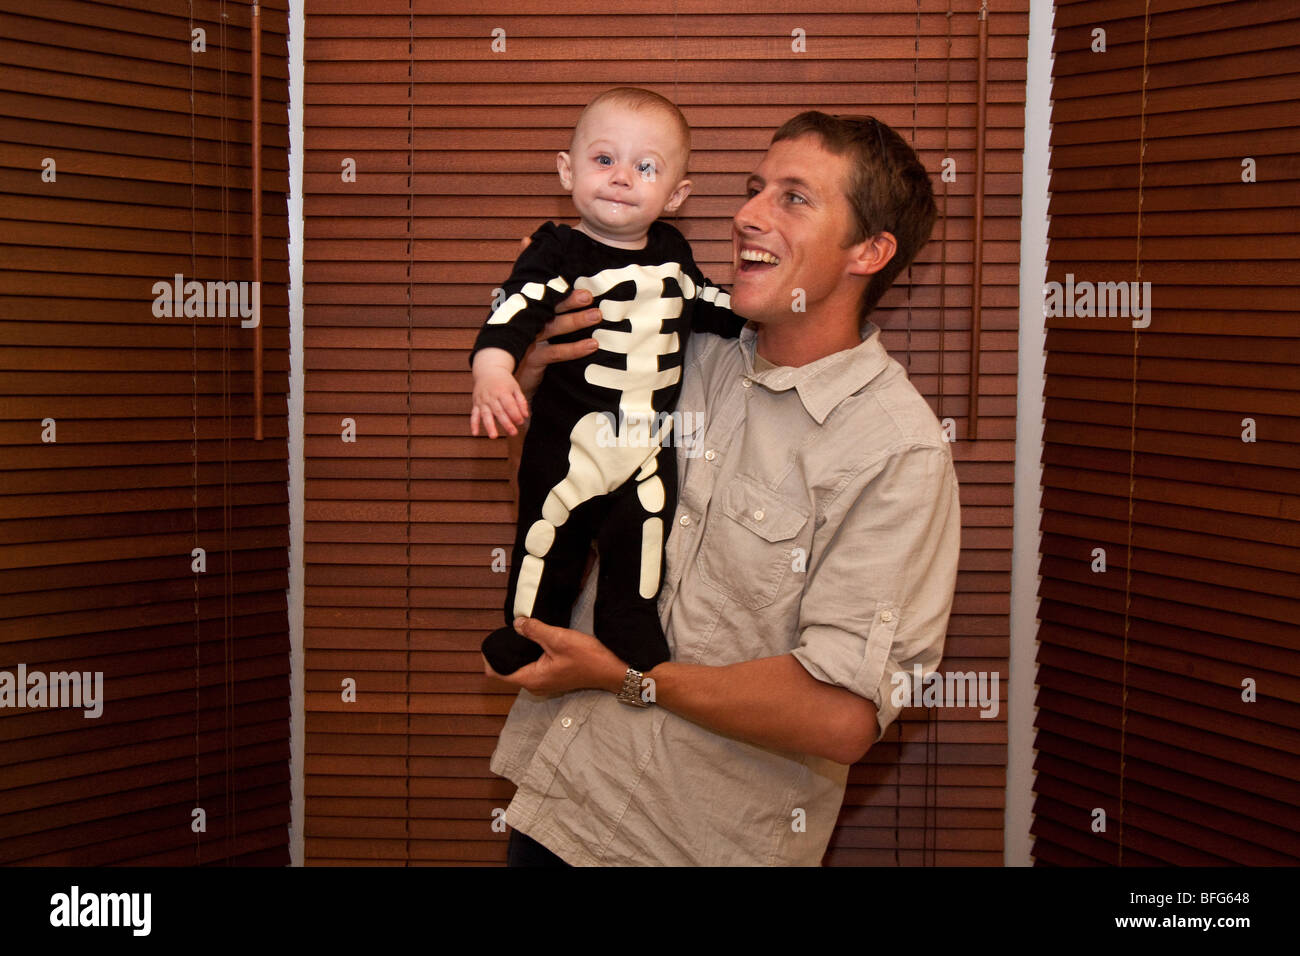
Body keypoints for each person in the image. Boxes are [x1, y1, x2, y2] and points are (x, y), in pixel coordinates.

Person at [484, 111, 961, 866]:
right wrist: (532, 388)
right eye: (752, 189)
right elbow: (558, 492)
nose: (746, 215)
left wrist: (631, 678)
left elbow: (841, 715)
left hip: (687, 847)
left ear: (870, 251)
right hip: (557, 805)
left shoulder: (894, 453)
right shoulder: (686, 351)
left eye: (794, 198)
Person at [468, 88, 743, 679]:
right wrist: (493, 369)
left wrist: (767, 311)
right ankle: (527, 633)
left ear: (676, 194)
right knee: (546, 545)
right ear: (566, 169)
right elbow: (518, 307)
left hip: (645, 445)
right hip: (568, 443)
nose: (621, 178)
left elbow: (709, 300)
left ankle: (629, 625)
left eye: (645, 167)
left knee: (642, 541)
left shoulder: (673, 251)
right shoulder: (558, 248)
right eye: (603, 160)